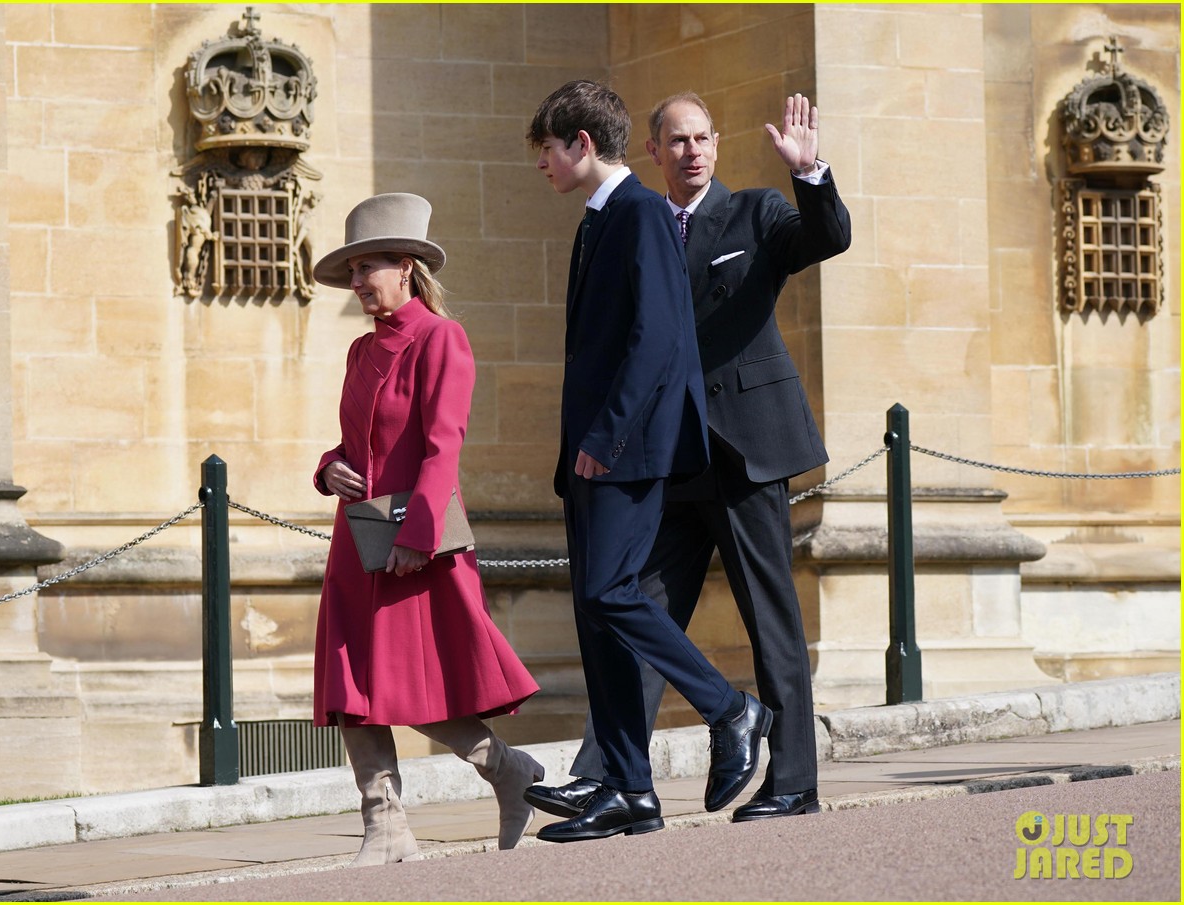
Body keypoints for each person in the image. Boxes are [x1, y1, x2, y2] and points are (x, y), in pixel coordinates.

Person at [525, 92, 852, 823]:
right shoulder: (638, 218)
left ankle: (793, 781)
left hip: (743, 448)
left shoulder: (755, 213)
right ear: (653, 151)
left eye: (703, 138)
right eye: (677, 141)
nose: (692, 151)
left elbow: (826, 238)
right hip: (669, 454)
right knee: (634, 607)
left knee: (770, 621)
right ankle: (612, 777)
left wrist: (811, 174)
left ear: (717, 144)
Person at [310, 193, 544, 865]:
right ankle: (385, 825)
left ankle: (508, 771)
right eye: (352, 270)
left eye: (368, 267)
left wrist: (417, 535)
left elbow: (444, 446)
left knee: (413, 684)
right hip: (359, 540)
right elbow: (355, 444)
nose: (357, 281)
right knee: (352, 684)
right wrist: (328, 468)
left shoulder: (442, 338)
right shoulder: (360, 351)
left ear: (406, 267)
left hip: (416, 541)